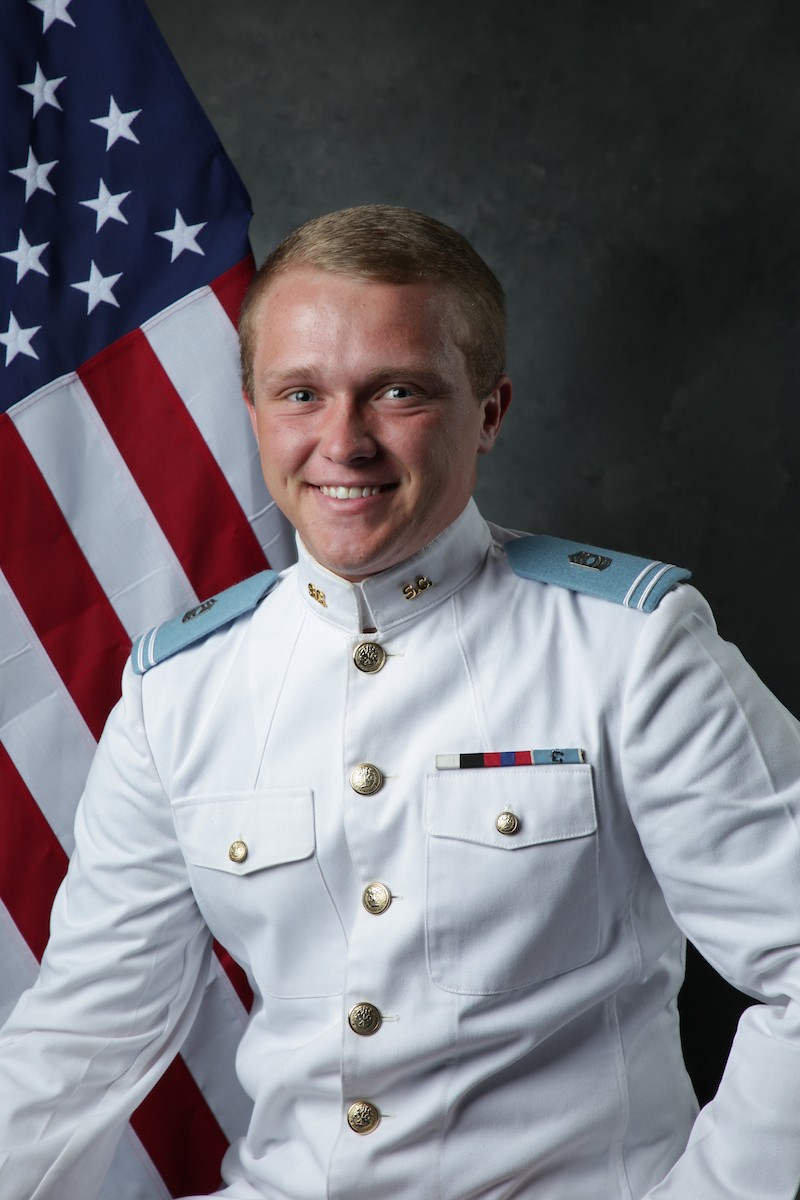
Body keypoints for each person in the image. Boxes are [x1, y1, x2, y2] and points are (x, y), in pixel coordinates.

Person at [1, 204, 799, 1200]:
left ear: (490, 413)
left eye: (396, 393)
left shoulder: (627, 649)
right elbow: (85, 1029)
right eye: (300, 394)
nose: (343, 441)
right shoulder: (181, 688)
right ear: (251, 413)